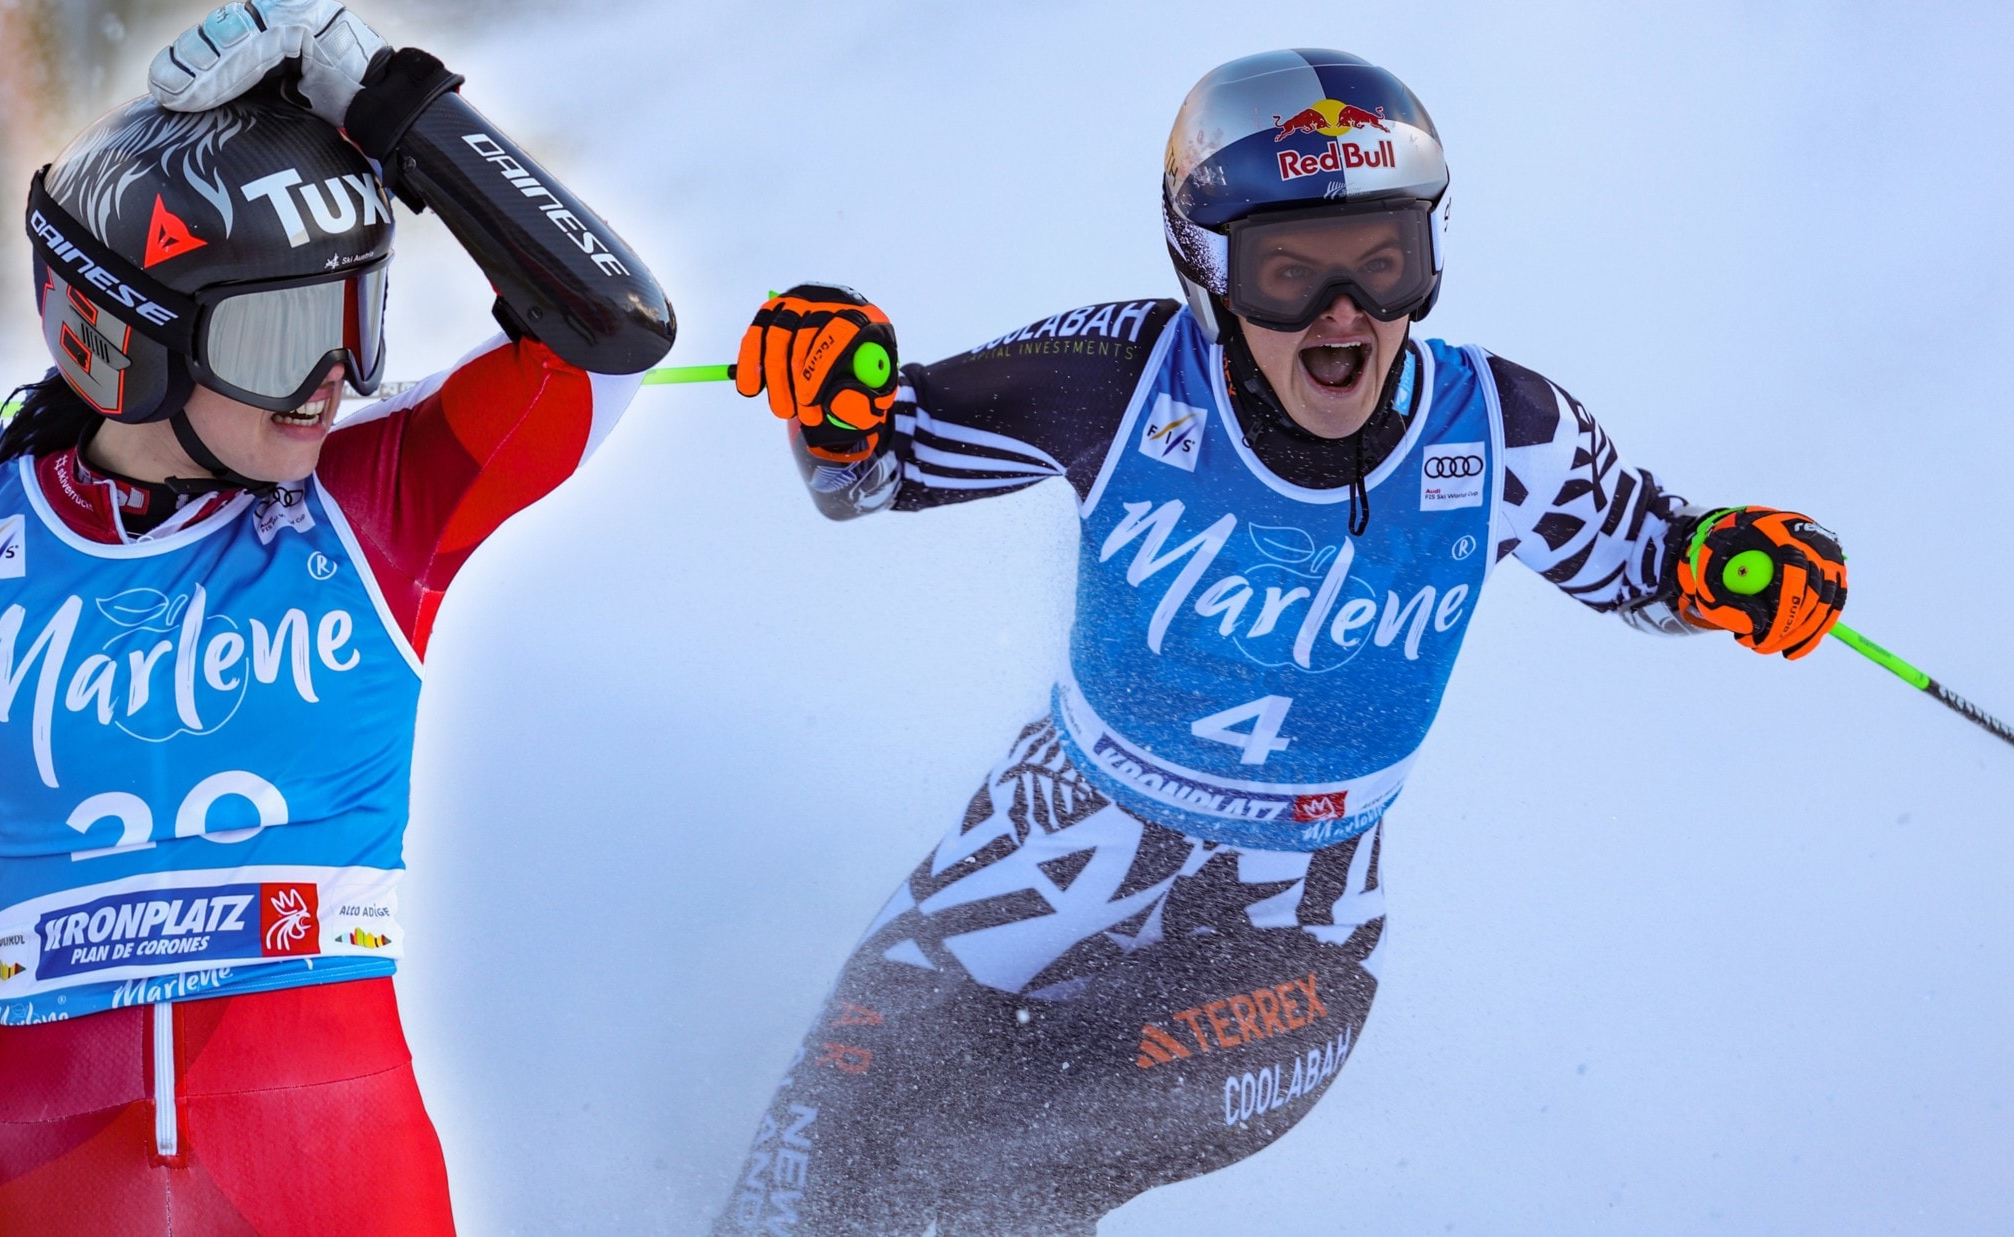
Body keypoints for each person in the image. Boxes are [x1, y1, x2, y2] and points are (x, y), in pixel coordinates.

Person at [716, 49, 1846, 1236]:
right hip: (1041, 844)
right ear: (1203, 267)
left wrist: (1740, 563)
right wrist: (827, 394)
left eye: (1383, 263)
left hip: (1284, 928)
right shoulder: (1116, 376)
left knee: (1005, 1148)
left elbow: (1652, 562)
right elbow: (877, 466)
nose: (1343, 315)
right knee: (814, 1171)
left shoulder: (1506, 433)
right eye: (1289, 270)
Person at [0, 3, 672, 1232]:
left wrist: (392, 107)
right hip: (63, 1182)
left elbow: (612, 337)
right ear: (122, 343)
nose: (333, 381)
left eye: (353, 318)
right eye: (282, 334)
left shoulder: (382, 501)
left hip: (340, 1170)